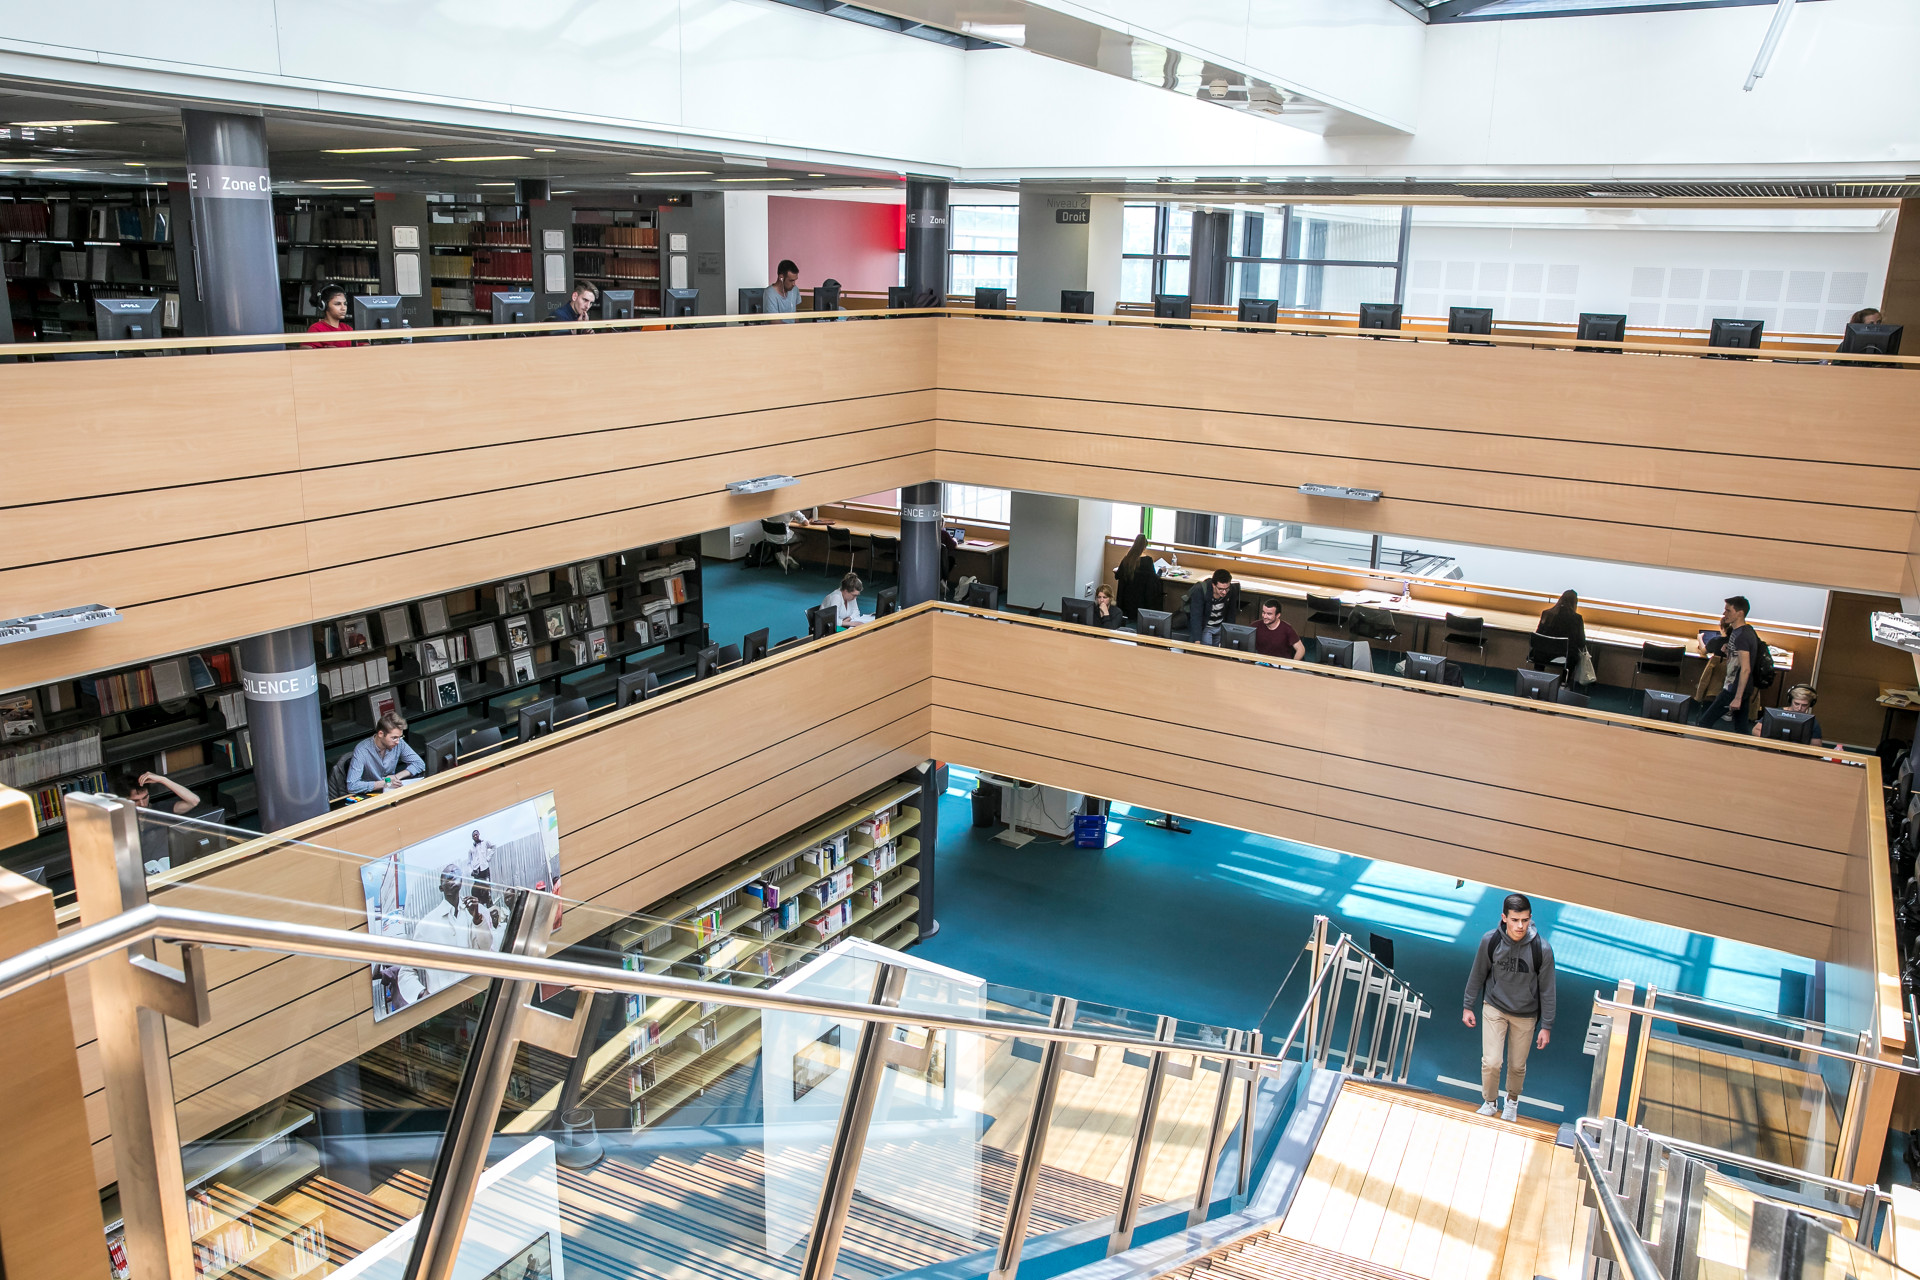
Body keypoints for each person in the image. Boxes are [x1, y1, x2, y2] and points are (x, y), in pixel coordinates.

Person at [1464, 892, 1556, 1122]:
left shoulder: (1542, 949)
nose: (1520, 925)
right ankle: (1489, 1102)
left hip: (1525, 1015)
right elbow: (1477, 974)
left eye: (1525, 920)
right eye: (1515, 920)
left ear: (1530, 918)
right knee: (1492, 1061)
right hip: (1494, 1006)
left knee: (1517, 1066)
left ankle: (1512, 1103)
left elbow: (1548, 990)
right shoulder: (1491, 941)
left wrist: (1546, 1026)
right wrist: (1468, 1005)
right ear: (1504, 917)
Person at [1696, 595, 1760, 734]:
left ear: (1740, 613)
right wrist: (1729, 649)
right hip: (1739, 687)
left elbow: (1745, 669)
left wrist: (1737, 697)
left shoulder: (1742, 637)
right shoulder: (1742, 631)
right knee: (1741, 728)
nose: (1724, 614)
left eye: (1728, 610)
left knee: (1704, 722)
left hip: (1734, 688)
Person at [346, 712, 426, 796]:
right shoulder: (362, 750)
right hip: (371, 795)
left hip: (391, 792)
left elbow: (419, 764)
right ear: (381, 734)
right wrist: (386, 783)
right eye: (394, 738)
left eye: (400, 737)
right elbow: (352, 786)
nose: (398, 741)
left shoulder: (399, 743)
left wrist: (396, 777)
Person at [1537, 590, 1591, 686]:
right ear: (1575, 602)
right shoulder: (1577, 619)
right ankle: (1564, 683)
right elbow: (1581, 642)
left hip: (1543, 655)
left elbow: (1538, 635)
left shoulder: (1546, 613)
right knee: (1573, 655)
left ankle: (1537, 678)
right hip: (1564, 658)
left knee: (1541, 649)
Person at [1184, 568, 1241, 645]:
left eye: (1226, 589)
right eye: (1221, 589)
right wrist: (1197, 639)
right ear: (1213, 585)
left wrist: (1229, 635)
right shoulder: (1200, 590)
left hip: (1220, 626)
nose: (1224, 592)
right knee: (1207, 653)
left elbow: (1231, 614)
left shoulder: (1232, 590)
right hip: (1206, 627)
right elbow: (1196, 616)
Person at [1113, 534, 1161, 621]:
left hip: (1126, 602)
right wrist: (1161, 571)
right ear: (1144, 547)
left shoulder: (1127, 559)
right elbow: (1154, 579)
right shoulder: (1148, 561)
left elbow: (1117, 575)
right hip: (1142, 601)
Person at [1754, 683, 1823, 741]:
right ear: (1790, 700)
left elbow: (1816, 744)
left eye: (1804, 705)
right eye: (1796, 704)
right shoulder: (1776, 713)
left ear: (1810, 704)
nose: (1799, 708)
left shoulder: (1812, 722)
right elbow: (1755, 730)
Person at [123, 769, 201, 815]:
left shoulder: (159, 809)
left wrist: (163, 780)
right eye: (135, 801)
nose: (142, 804)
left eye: (144, 798)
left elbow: (194, 801)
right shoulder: (121, 820)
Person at [305, 284, 353, 348]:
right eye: (337, 304)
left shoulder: (347, 329)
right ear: (324, 305)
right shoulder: (316, 329)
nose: (343, 308)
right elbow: (306, 353)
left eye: (345, 304)